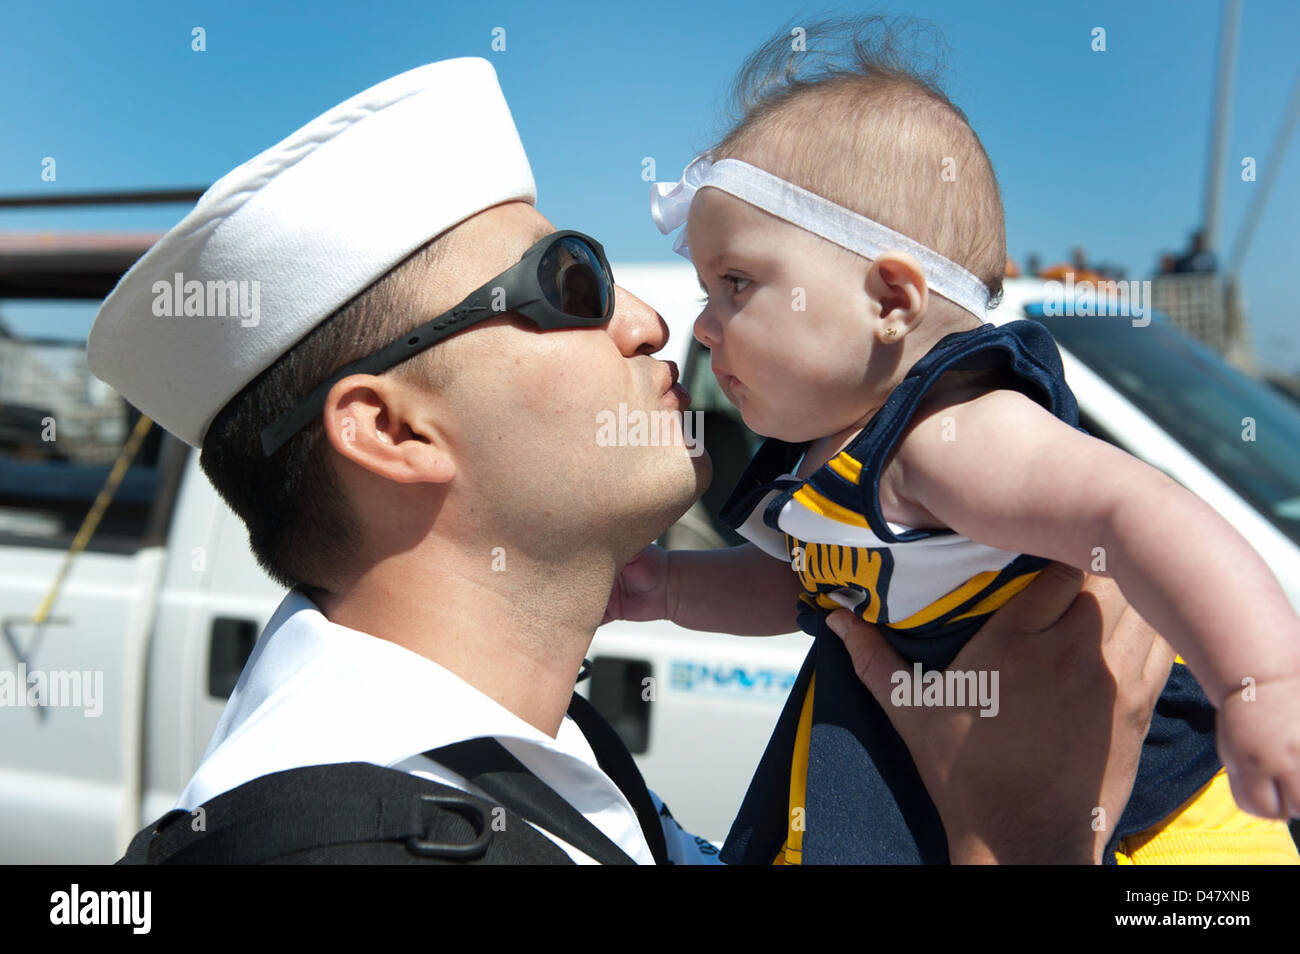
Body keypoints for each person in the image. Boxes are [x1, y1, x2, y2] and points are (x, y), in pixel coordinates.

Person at [91, 57, 1177, 865]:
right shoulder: (341, 854)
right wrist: (1024, 845)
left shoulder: (536, 760)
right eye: (566, 284)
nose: (655, 323)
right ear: (392, 430)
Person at [613, 18, 1300, 864]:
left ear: (891, 301)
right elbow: (804, 585)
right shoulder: (839, 462)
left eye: (736, 284)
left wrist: (1263, 681)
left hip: (1159, 831)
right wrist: (668, 587)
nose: (704, 326)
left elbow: (1136, 510)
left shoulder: (948, 434)